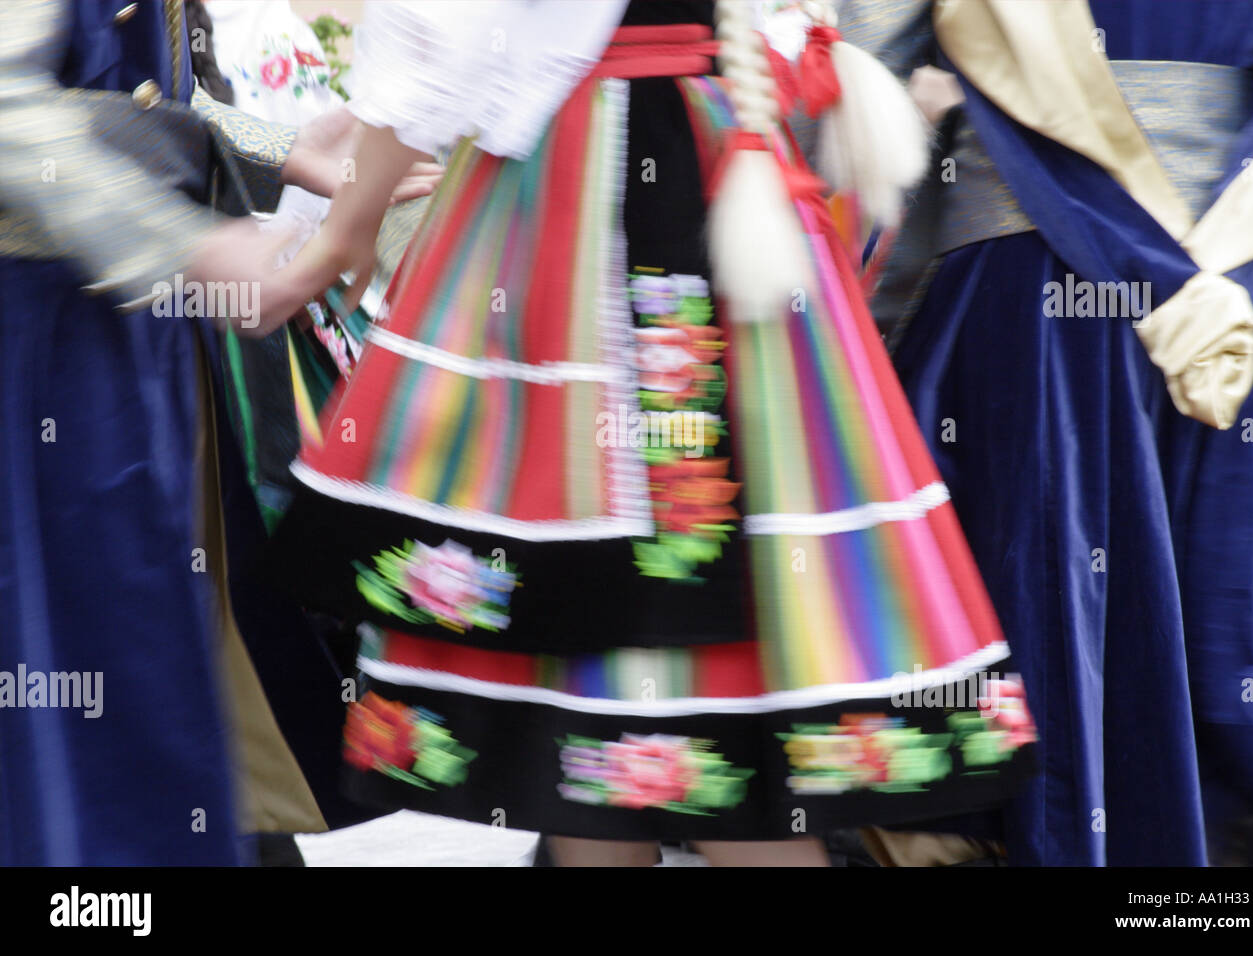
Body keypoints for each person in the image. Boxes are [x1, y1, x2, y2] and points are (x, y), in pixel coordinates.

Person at [252, 0, 1035, 866]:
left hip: (590, 193)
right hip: (723, 169)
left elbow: (445, 32)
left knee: (608, 649)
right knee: (677, 661)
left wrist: (338, 236)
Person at [846, 0, 1253, 865]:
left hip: (1037, 290)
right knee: (1223, 626)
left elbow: (861, 62)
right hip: (1222, 309)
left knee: (1051, 603)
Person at [0, 0, 423, 864]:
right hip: (35, 342)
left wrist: (279, 151)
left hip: (124, 343)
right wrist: (182, 249)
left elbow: (146, 101)